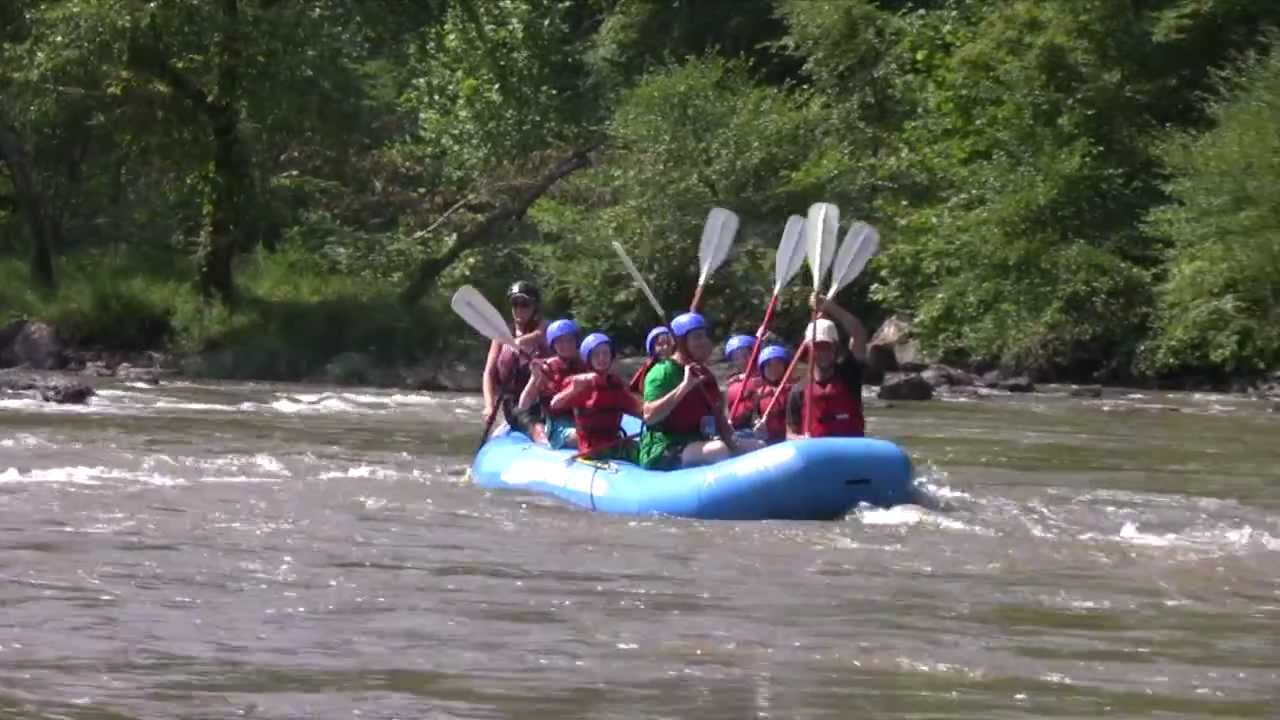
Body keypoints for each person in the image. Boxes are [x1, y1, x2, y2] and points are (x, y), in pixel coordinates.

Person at [638, 312, 763, 470]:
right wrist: (684, 387)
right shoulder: (662, 372)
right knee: (718, 450)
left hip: (699, 440)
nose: (704, 342)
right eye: (697, 337)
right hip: (665, 447)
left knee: (757, 446)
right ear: (682, 342)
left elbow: (719, 418)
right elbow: (649, 417)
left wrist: (735, 444)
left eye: (705, 336)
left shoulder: (705, 374)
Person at [786, 294, 869, 439]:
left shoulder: (849, 375)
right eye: (817, 348)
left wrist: (830, 307)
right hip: (816, 450)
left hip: (850, 449)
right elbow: (790, 433)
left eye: (826, 347)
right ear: (809, 350)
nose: (822, 353)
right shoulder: (798, 390)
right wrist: (798, 439)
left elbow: (859, 333)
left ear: (835, 348)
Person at [550, 332, 643, 461]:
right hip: (593, 449)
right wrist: (573, 390)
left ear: (611, 356)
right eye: (596, 354)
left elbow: (636, 408)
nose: (602, 358)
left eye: (605, 353)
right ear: (588, 358)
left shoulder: (615, 383)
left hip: (614, 442)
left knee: (647, 450)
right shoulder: (579, 382)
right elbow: (555, 404)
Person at [481, 281, 550, 436]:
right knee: (535, 427)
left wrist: (517, 342)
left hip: (543, 400)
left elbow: (539, 334)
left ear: (534, 307)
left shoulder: (544, 328)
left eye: (524, 304)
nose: (519, 309)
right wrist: (489, 405)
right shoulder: (501, 336)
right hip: (515, 404)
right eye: (515, 304)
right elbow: (489, 373)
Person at [517, 318, 583, 448]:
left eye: (570, 340)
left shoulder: (585, 365)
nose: (566, 345)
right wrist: (535, 378)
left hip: (582, 421)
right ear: (553, 344)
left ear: (576, 341)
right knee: (580, 438)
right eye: (560, 341)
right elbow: (524, 404)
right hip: (557, 425)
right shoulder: (545, 368)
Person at [752, 344, 793, 444]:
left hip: (790, 440)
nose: (773, 368)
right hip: (768, 442)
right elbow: (755, 416)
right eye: (769, 365)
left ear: (786, 367)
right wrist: (756, 423)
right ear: (763, 370)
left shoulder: (794, 390)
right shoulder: (759, 393)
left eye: (778, 364)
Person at [722, 334, 757, 430]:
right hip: (736, 429)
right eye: (737, 358)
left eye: (746, 355)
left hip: (758, 427)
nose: (742, 360)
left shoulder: (767, 378)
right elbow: (725, 410)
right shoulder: (731, 382)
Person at [628, 325, 675, 393]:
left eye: (668, 343)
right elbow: (633, 387)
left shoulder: (679, 364)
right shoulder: (649, 365)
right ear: (652, 348)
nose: (665, 347)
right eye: (660, 344)